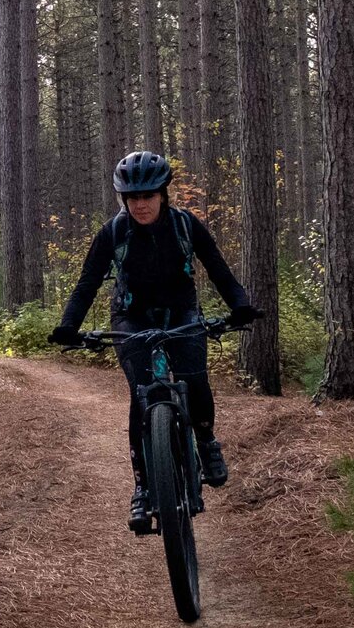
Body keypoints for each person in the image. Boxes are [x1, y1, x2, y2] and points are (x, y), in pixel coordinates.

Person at [47, 150, 259, 534]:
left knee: (194, 380)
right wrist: (68, 326)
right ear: (123, 200)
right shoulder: (113, 233)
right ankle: (144, 487)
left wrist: (240, 306)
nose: (140, 204)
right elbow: (87, 284)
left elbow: (219, 271)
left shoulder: (186, 226)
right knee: (142, 394)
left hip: (181, 313)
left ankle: (207, 440)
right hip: (131, 317)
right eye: (133, 198)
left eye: (148, 195)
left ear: (163, 194)